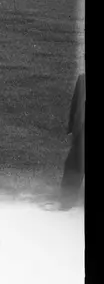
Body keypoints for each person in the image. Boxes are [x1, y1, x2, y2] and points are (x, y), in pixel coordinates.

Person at [60, 73, 85, 208]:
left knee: (74, 165)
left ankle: (66, 203)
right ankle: (67, 202)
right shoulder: (82, 80)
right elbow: (75, 105)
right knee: (74, 165)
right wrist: (72, 127)